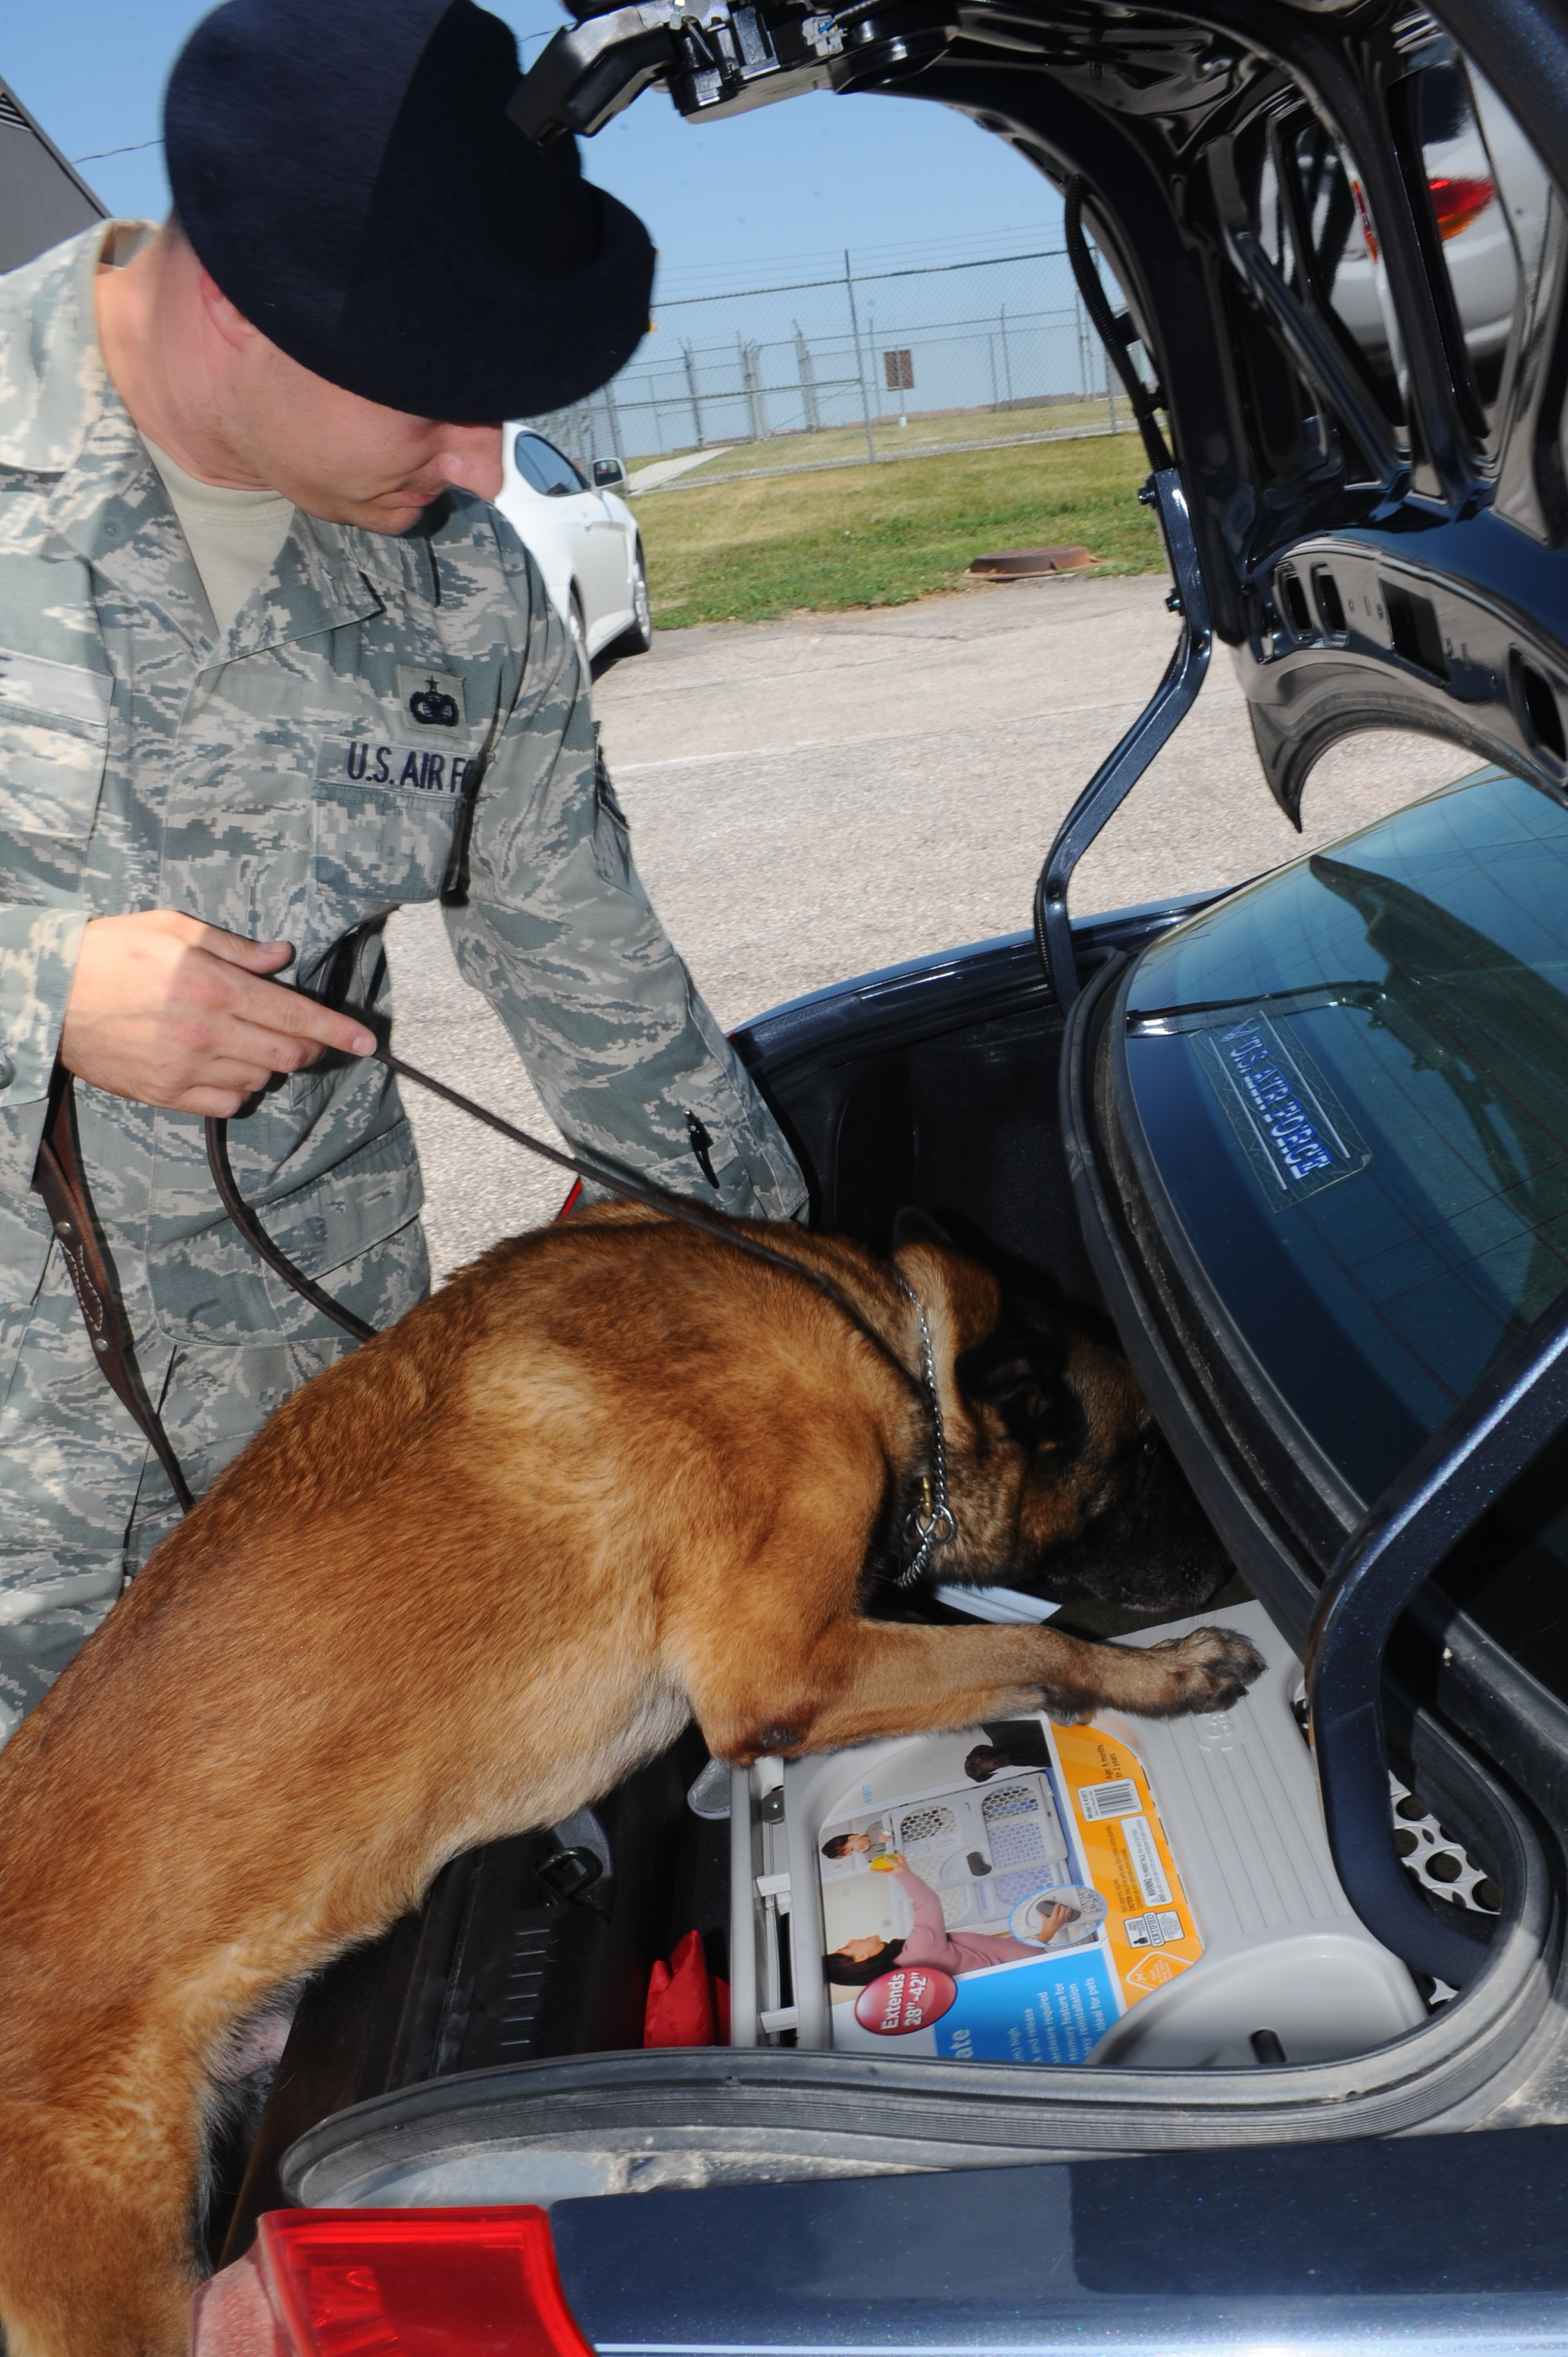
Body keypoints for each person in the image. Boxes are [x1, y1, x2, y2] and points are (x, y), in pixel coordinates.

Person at [0, 0, 805, 1734]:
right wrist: (42, 990)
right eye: (439, 407)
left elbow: (599, 986)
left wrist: (794, 1298)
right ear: (232, 296)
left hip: (313, 1463)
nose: (488, 467)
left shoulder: (463, 593)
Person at [822, 1855, 1079, 1984]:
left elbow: (990, 1958)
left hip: (1034, 1967)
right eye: (848, 1948)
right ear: (861, 1959)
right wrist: (901, 1873)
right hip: (1039, 1963)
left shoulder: (910, 1966)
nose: (853, 1940)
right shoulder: (918, 1952)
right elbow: (927, 1903)